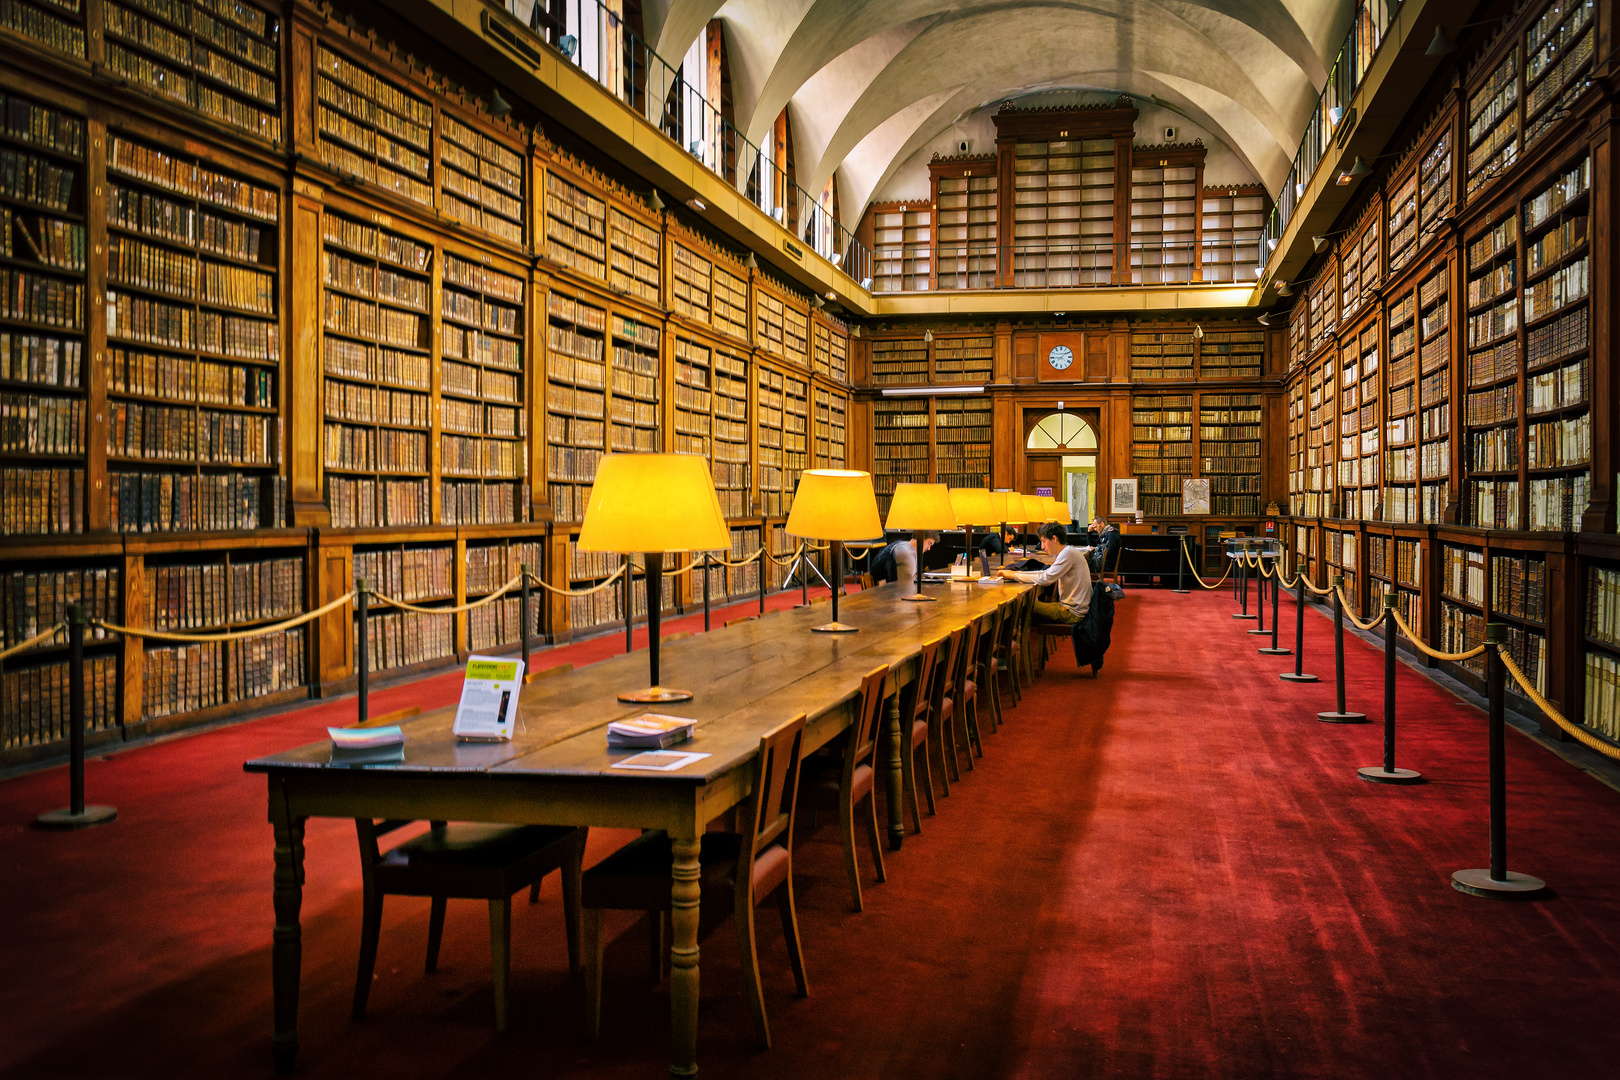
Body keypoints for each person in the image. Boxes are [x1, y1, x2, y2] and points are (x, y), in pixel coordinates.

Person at [997, 521, 1092, 624]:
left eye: (1044, 541)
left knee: (1021, 604)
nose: (1042, 547)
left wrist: (1014, 575)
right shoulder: (1068, 551)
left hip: (1072, 613)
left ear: (1054, 539)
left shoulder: (1067, 554)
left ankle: (1017, 635)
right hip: (1072, 608)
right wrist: (1015, 574)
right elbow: (1045, 573)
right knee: (1025, 602)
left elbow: (1045, 579)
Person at [891, 530, 935, 597]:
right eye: (929, 543)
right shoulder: (906, 552)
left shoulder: (908, 548)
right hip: (898, 598)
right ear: (921, 538)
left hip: (903, 595)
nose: (929, 548)